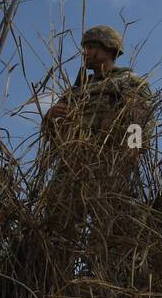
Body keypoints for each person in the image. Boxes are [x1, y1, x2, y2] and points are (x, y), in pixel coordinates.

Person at [37, 25, 152, 283]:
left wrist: (128, 157)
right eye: (85, 47)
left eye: (92, 47)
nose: (86, 53)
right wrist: (50, 119)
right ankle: (54, 283)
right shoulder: (77, 89)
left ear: (108, 50)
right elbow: (52, 132)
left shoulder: (130, 82)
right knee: (57, 227)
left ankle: (102, 285)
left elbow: (139, 124)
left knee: (106, 230)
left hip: (108, 164)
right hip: (71, 167)